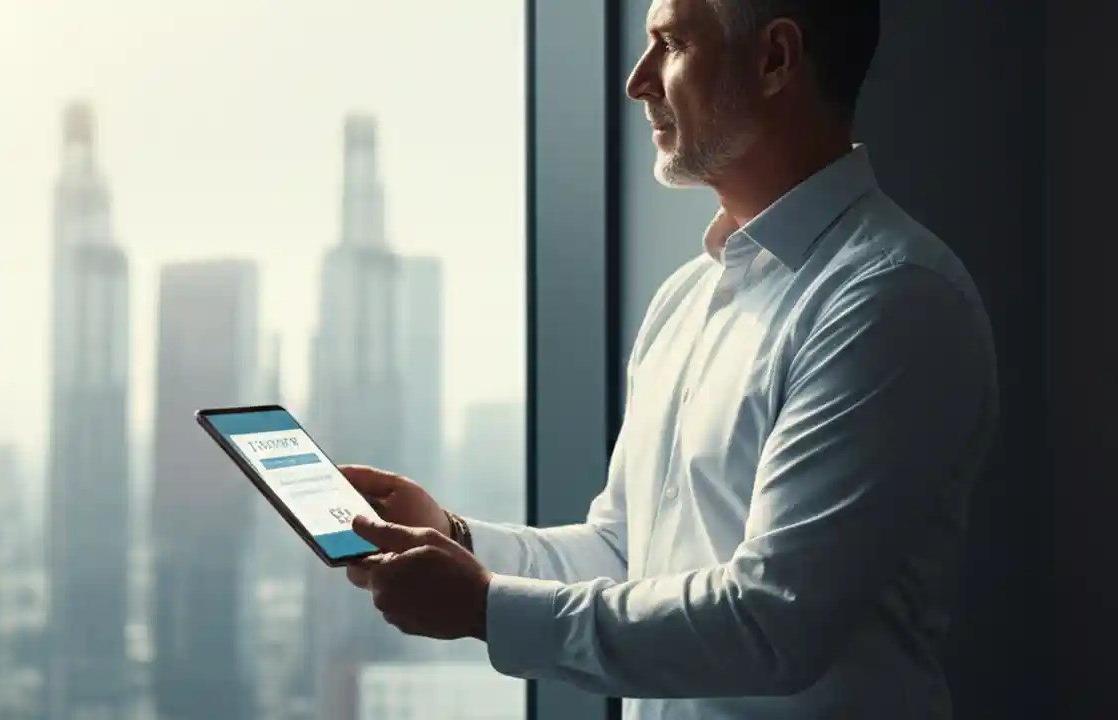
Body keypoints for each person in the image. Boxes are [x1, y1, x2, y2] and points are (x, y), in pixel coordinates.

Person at [340, 0, 998, 717]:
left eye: (672, 44)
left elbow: (772, 622)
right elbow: (627, 555)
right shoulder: (688, 297)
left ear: (775, 59)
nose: (637, 81)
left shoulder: (890, 298)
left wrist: (485, 608)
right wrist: (454, 538)